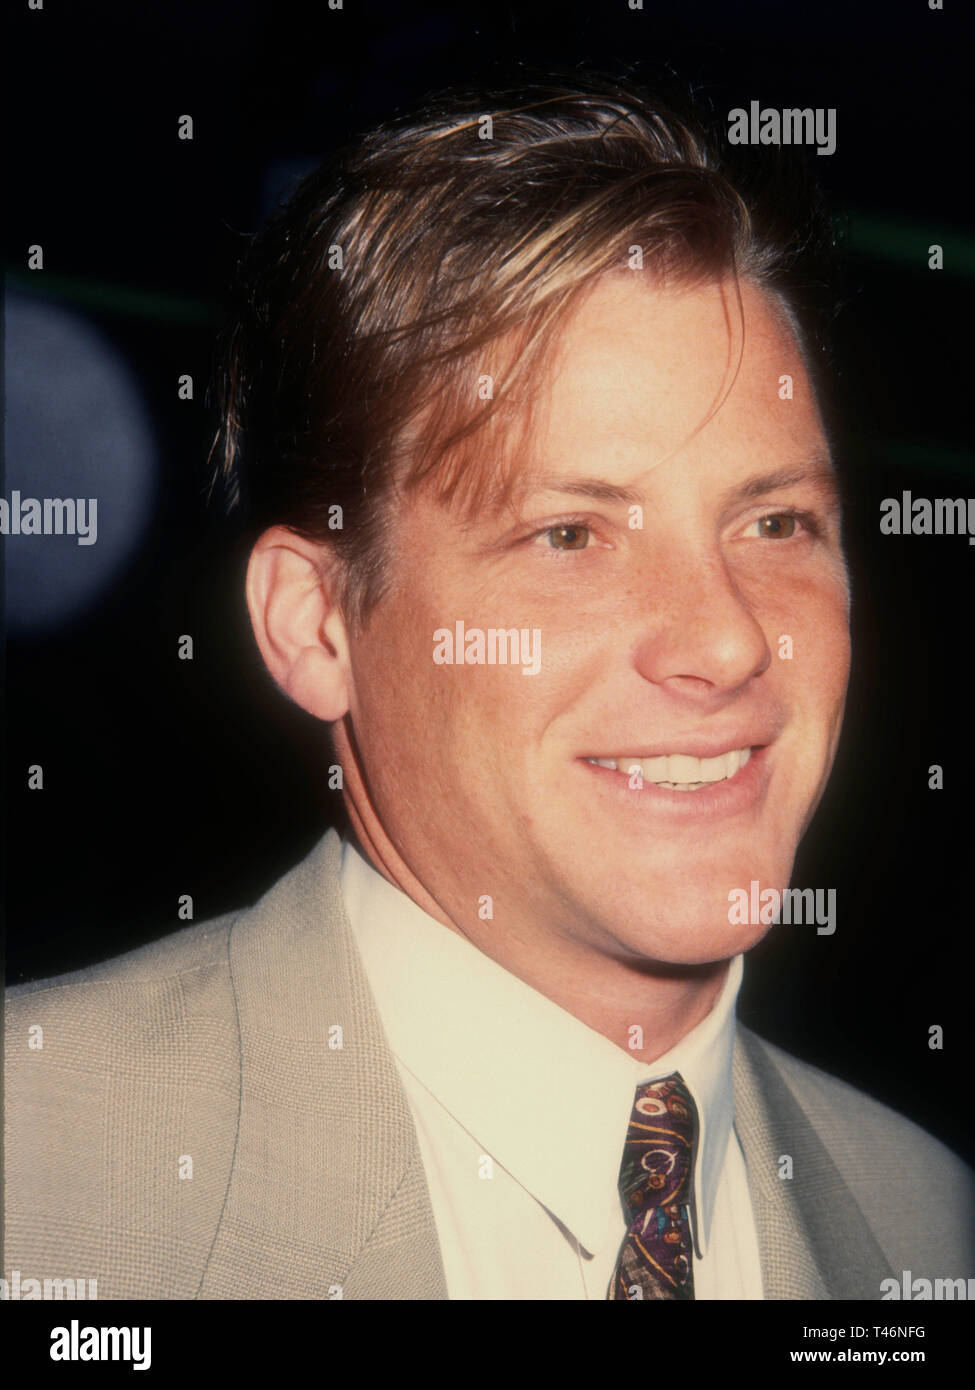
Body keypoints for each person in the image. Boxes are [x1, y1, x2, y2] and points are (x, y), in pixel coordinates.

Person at [5, 77, 972, 1302]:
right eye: (571, 535)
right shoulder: (35, 1178)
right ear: (315, 626)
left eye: (777, 521)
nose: (727, 641)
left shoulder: (926, 1221)